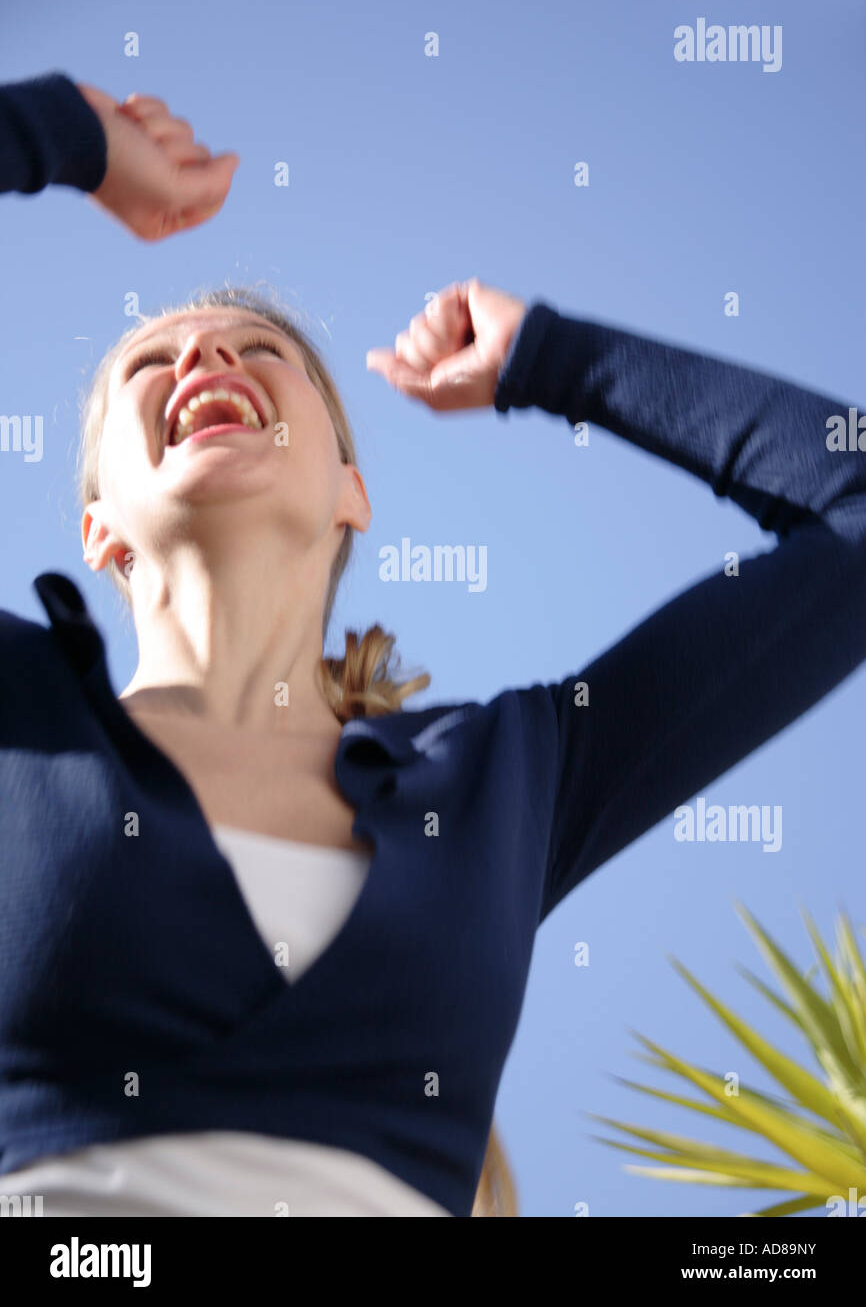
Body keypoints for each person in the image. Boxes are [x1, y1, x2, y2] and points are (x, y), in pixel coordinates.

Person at [0, 73, 864, 1219]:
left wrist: (554, 360)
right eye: (150, 367)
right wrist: (63, 132)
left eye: (264, 354)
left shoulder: (505, 776)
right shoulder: (19, 713)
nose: (203, 359)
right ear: (98, 524)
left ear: (351, 489)